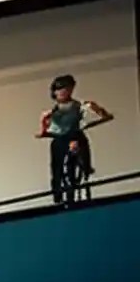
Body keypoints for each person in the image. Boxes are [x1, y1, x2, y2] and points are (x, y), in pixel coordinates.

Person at [37, 74, 114, 204]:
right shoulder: (51, 113)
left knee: (75, 161)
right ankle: (59, 196)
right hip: (60, 141)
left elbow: (100, 113)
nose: (62, 92)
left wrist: (101, 113)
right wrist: (44, 128)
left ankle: (81, 176)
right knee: (57, 171)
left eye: (65, 88)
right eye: (59, 89)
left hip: (75, 138)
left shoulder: (79, 106)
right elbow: (45, 130)